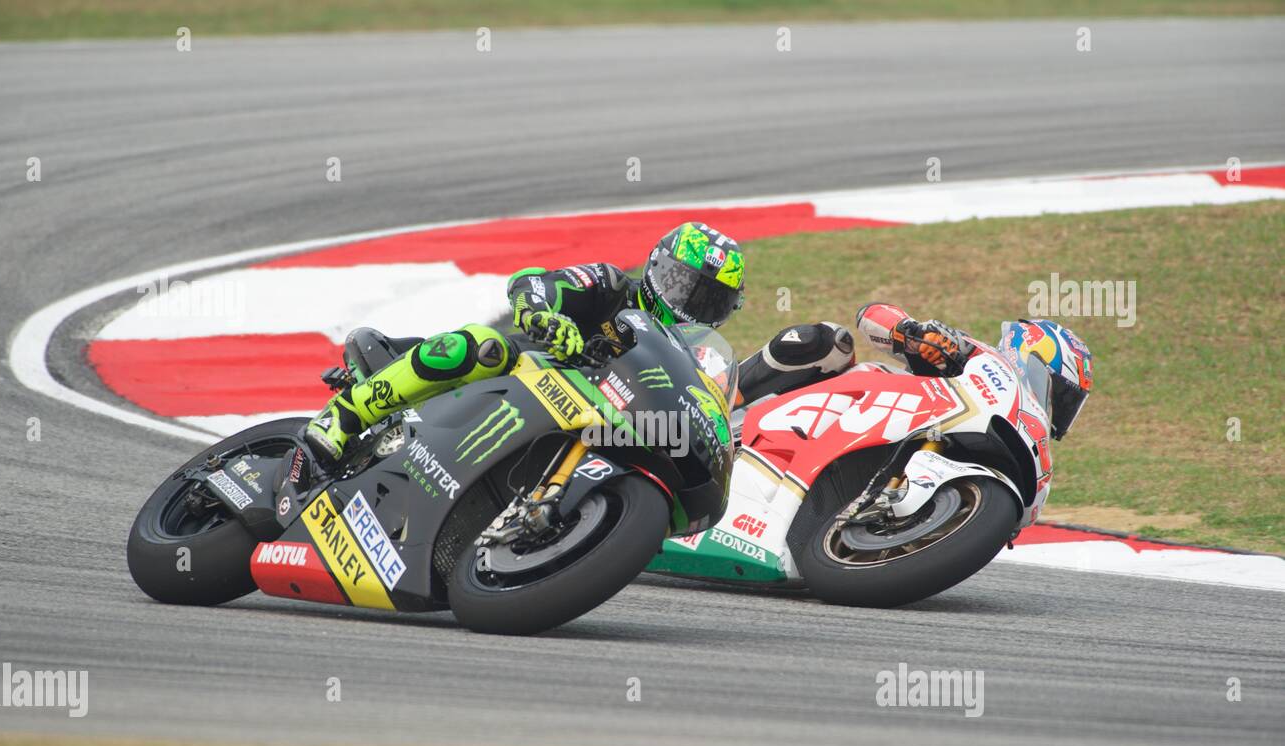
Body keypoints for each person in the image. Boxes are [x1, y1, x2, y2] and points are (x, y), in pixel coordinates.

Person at [303, 221, 856, 463]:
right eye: (687, 286)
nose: (693, 304)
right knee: (483, 345)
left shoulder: (691, 353)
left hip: (575, 427)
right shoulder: (611, 284)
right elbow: (532, 284)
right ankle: (345, 415)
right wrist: (545, 318)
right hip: (510, 377)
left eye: (710, 300)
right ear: (659, 269)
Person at [856, 302, 1093, 439]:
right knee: (832, 341)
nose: (1052, 408)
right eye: (1058, 395)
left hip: (918, 440)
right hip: (876, 409)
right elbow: (868, 314)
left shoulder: (1018, 431)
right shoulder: (973, 352)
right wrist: (911, 335)